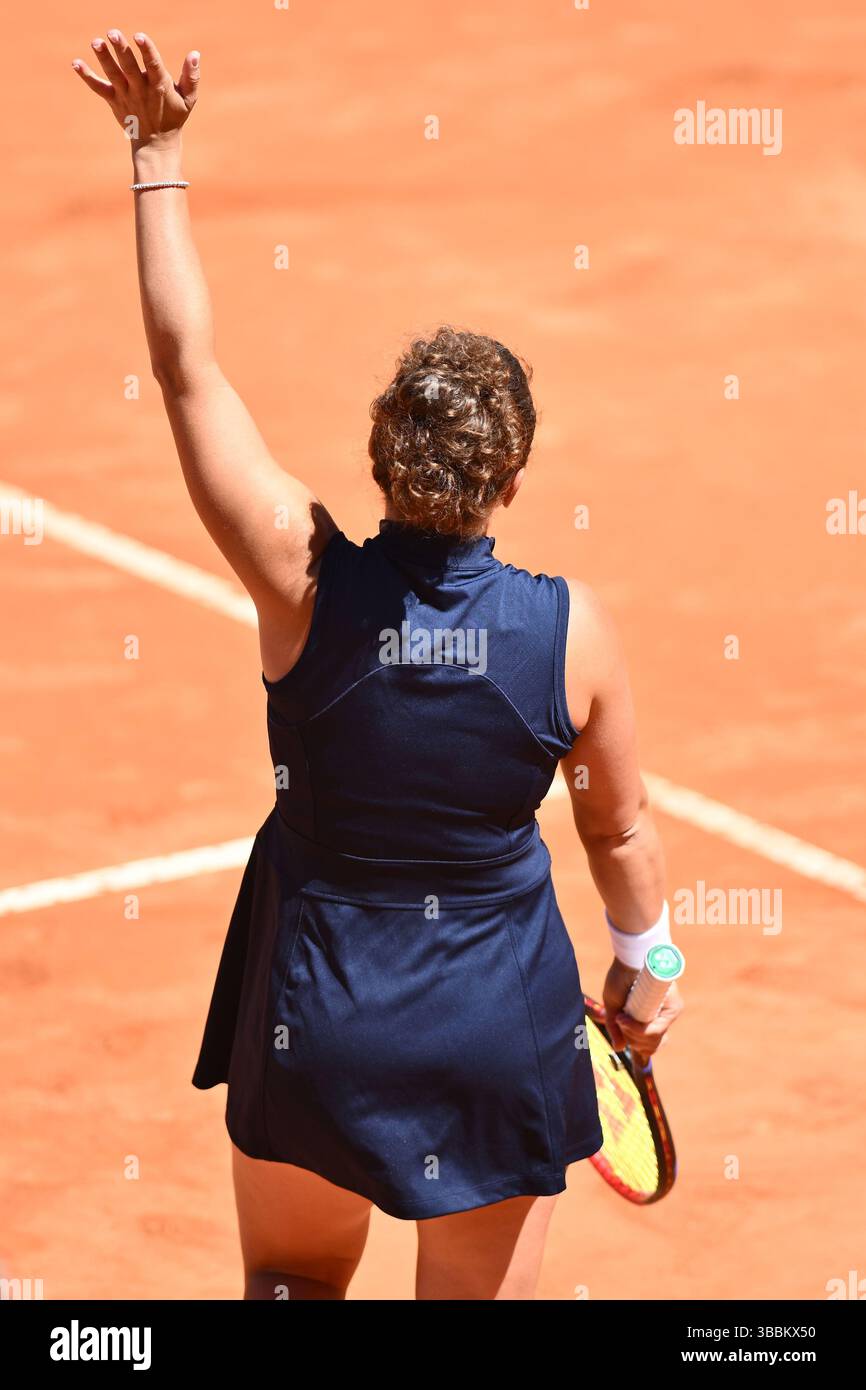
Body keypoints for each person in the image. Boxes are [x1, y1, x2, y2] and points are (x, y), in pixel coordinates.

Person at [72, 31, 683, 1301]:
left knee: (290, 1287)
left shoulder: (301, 582)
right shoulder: (569, 634)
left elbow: (187, 374)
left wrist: (158, 154)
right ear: (510, 482)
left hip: (316, 1027)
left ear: (375, 461)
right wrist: (647, 964)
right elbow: (617, 833)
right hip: (494, 1036)